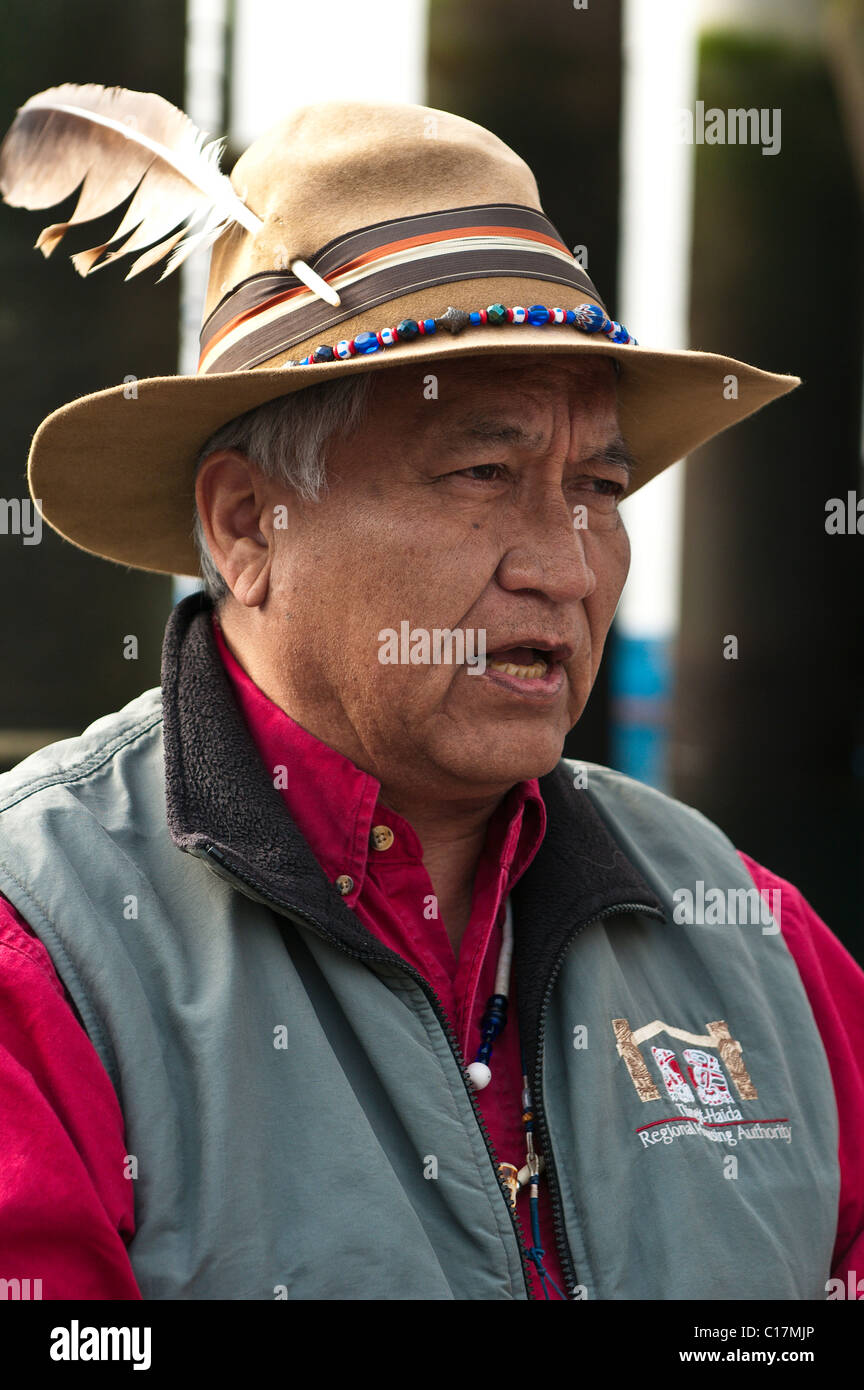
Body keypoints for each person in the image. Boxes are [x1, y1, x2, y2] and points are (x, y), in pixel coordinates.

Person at [0, 91, 861, 1301]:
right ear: (250, 525)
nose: (563, 568)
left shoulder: (755, 937)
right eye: (481, 472)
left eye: (598, 489)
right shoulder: (40, 950)